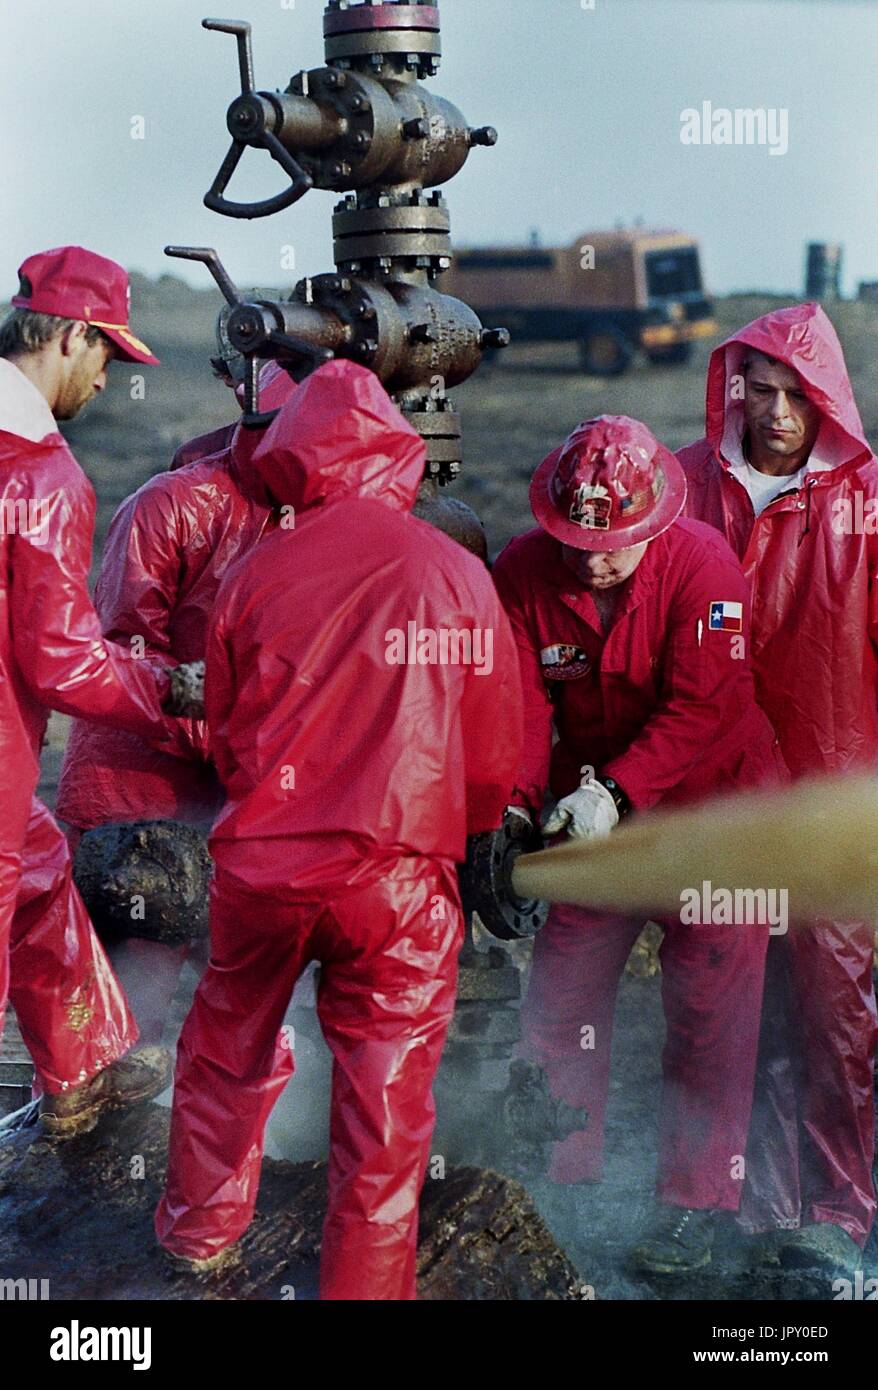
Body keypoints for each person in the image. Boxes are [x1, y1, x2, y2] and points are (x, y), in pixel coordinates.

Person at [155, 360, 523, 1299]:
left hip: (264, 872)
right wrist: (469, 839)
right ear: (396, 456)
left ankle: (200, 1236)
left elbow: (231, 736)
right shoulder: (455, 574)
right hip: (396, 881)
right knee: (385, 1106)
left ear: (295, 460)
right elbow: (490, 757)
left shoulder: (252, 573)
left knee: (224, 1052)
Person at [492, 414, 785, 1274]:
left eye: (612, 544)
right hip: (591, 821)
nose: (591, 559)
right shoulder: (519, 571)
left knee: (710, 1018)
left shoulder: (706, 566)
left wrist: (613, 791)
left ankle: (695, 1207)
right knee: (560, 996)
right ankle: (558, 1179)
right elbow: (518, 708)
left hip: (720, 820)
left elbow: (704, 707)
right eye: (575, 542)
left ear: (656, 518)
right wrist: (513, 812)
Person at [679, 302, 878, 1270]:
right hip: (723, 797)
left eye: (793, 395)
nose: (773, 412)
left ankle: (838, 1214)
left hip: (835, 798)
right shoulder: (687, 485)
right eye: (756, 391)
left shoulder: (868, 502)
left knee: (837, 1010)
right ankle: (757, 1212)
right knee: (737, 1009)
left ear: (823, 395)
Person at [56, 363, 298, 1043]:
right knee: (138, 992)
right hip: (137, 796)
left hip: (238, 795)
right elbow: (121, 662)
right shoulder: (175, 505)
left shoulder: (318, 523)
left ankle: (186, 1134)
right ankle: (107, 1138)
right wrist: (233, 733)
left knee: (238, 989)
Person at [0, 245, 184, 1136]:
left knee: (40, 878)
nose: (110, 381)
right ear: (72, 336)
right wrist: (174, 691)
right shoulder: (41, 477)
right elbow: (62, 665)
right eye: (110, 354)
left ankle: (85, 1068)